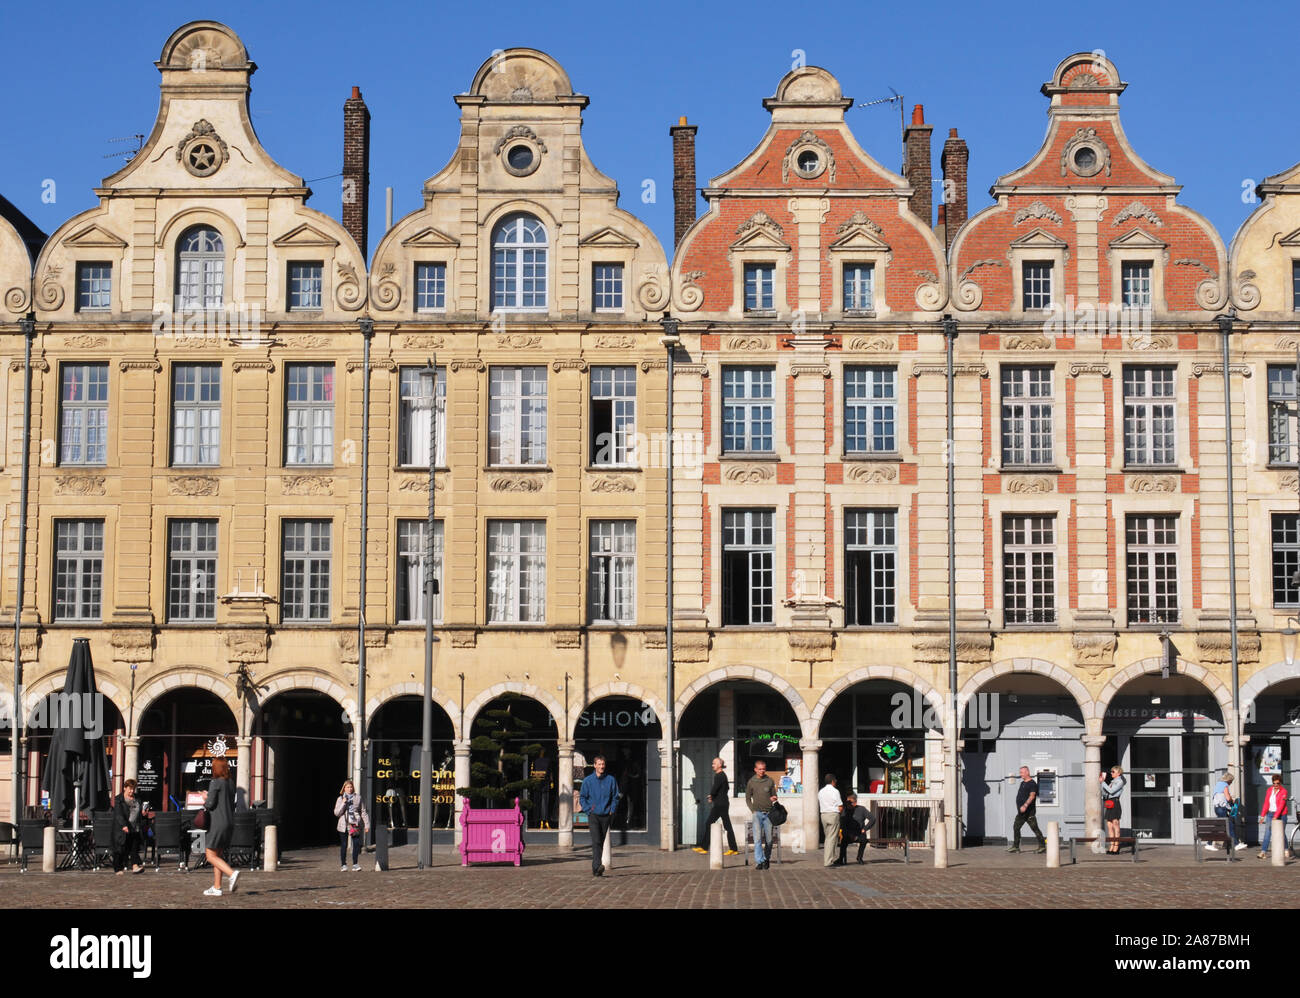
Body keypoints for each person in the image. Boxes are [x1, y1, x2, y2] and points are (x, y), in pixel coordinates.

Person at [578, 754, 620, 877]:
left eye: (603, 764)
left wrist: (612, 810)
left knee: (601, 841)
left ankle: (596, 869)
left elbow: (615, 797)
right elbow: (582, 797)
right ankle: (597, 866)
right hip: (594, 815)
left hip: (606, 815)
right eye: (599, 764)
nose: (602, 766)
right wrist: (588, 810)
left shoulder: (611, 780)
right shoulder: (588, 781)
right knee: (596, 840)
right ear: (595, 765)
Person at [202, 757, 238, 897]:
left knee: (210, 855)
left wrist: (205, 798)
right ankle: (217, 887)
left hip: (217, 822)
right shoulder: (230, 783)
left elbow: (210, 804)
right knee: (218, 855)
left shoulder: (215, 782)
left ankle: (232, 873)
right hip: (229, 821)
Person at [693, 757, 739, 855]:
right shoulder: (722, 775)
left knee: (712, 823)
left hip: (720, 804)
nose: (712, 765)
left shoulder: (719, 775)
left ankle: (731, 849)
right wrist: (713, 796)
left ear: (719, 765)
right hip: (721, 803)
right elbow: (725, 788)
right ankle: (732, 848)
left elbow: (715, 788)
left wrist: (711, 796)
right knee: (724, 825)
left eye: (714, 763)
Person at [111, 778, 151, 875]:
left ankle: (135, 866)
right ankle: (118, 868)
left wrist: (144, 813)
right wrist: (124, 825)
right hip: (122, 828)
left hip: (135, 827)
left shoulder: (137, 798)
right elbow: (118, 814)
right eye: (130, 789)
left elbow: (140, 813)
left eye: (133, 789)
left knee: (134, 847)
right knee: (120, 848)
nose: (132, 791)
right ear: (125, 788)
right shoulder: (119, 799)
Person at [744, 759, 778, 870]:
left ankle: (766, 859)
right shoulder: (751, 782)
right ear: (755, 770)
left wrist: (774, 798)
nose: (762, 771)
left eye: (763, 769)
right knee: (757, 839)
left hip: (769, 813)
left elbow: (774, 795)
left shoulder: (770, 780)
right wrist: (752, 810)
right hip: (757, 813)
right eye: (759, 769)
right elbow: (748, 798)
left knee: (769, 840)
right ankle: (759, 861)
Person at [334, 779, 370, 871]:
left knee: (356, 844)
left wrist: (367, 825)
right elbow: (337, 813)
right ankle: (343, 865)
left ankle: (355, 864)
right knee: (344, 844)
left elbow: (363, 811)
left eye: (351, 787)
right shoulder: (340, 798)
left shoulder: (358, 797)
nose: (349, 789)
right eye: (347, 787)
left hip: (354, 823)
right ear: (344, 788)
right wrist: (343, 803)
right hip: (344, 824)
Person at [1008, 766, 1046, 854]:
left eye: (1022, 772)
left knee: (1035, 829)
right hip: (1021, 813)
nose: (1020, 774)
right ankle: (1016, 847)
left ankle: (1042, 846)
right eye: (1020, 772)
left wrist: (1025, 805)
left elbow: (1032, 796)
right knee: (1016, 827)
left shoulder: (1032, 784)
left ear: (1027, 772)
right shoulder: (1022, 783)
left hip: (1029, 812)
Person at [1208, 772, 1246, 852]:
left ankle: (1209, 843)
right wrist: (1232, 801)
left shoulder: (1218, 784)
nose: (1231, 783)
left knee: (1219, 826)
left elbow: (1219, 797)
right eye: (1231, 781)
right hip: (1222, 808)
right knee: (1229, 825)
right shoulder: (1224, 785)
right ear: (1228, 780)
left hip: (1217, 808)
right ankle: (1236, 844)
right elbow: (1228, 798)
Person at [1258, 773, 1291, 860]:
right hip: (1270, 813)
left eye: (1278, 783)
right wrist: (1262, 816)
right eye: (1274, 783)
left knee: (1282, 833)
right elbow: (1266, 803)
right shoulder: (1269, 790)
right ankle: (1263, 852)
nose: (1276, 785)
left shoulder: (1284, 791)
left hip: (1281, 814)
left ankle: (1286, 849)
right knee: (1267, 833)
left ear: (1280, 783)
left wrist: (1276, 816)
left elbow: (1281, 805)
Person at [838, 792, 876, 865]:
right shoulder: (845, 810)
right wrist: (847, 832)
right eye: (847, 802)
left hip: (859, 832)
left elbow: (872, 818)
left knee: (864, 840)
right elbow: (842, 823)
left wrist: (865, 828)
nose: (848, 804)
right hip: (848, 832)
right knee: (844, 841)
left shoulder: (861, 809)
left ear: (855, 803)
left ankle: (859, 857)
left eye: (850, 802)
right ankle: (841, 858)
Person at [818, 773, 844, 867]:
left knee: (828, 838)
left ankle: (831, 858)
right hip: (833, 814)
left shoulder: (821, 791)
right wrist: (839, 812)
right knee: (831, 838)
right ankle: (828, 861)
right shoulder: (835, 791)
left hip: (823, 815)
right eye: (835, 780)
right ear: (833, 781)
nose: (836, 782)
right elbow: (840, 805)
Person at [1100, 765, 1126, 854]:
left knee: (1115, 824)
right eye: (1111, 771)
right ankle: (1111, 844)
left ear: (1118, 773)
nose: (1111, 773)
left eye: (1113, 772)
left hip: (1115, 803)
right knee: (1109, 825)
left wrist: (1103, 783)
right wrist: (1102, 784)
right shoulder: (1112, 781)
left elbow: (1111, 791)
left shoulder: (1120, 781)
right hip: (1109, 803)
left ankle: (1116, 846)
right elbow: (1106, 793)